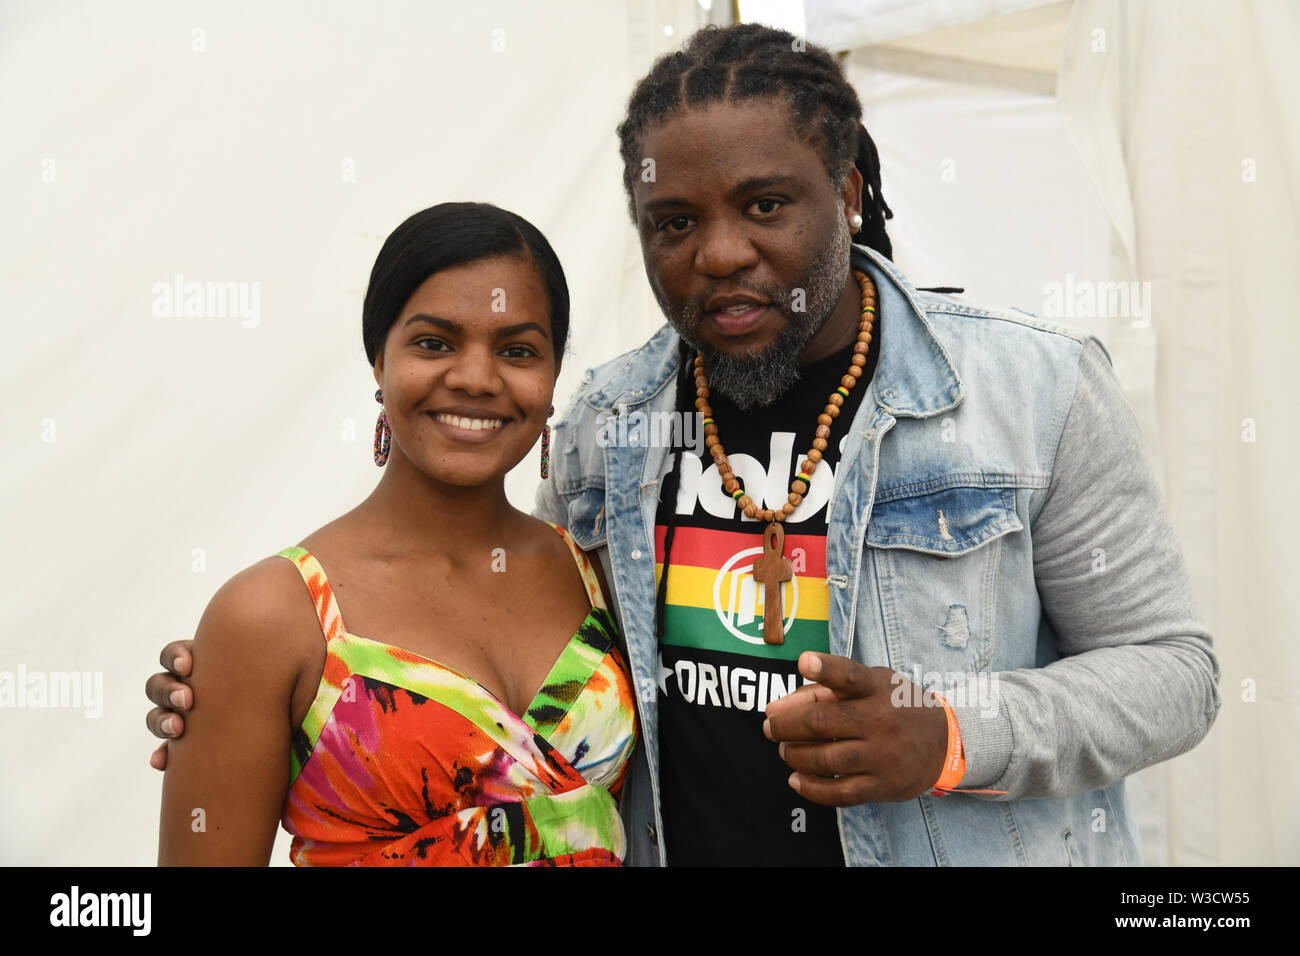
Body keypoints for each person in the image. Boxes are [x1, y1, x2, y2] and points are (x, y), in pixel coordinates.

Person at [147, 23, 1219, 866]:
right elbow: (499, 671)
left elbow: (1176, 673)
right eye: (674, 222)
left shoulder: (1029, 392)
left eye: (765, 205)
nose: (720, 253)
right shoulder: (609, 425)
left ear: (848, 194)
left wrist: (949, 731)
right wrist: (251, 695)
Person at [156, 202, 637, 866]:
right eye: (434, 343)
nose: (476, 379)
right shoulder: (270, 614)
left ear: (553, 378)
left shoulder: (601, 574)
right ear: (378, 361)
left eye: (517, 350)